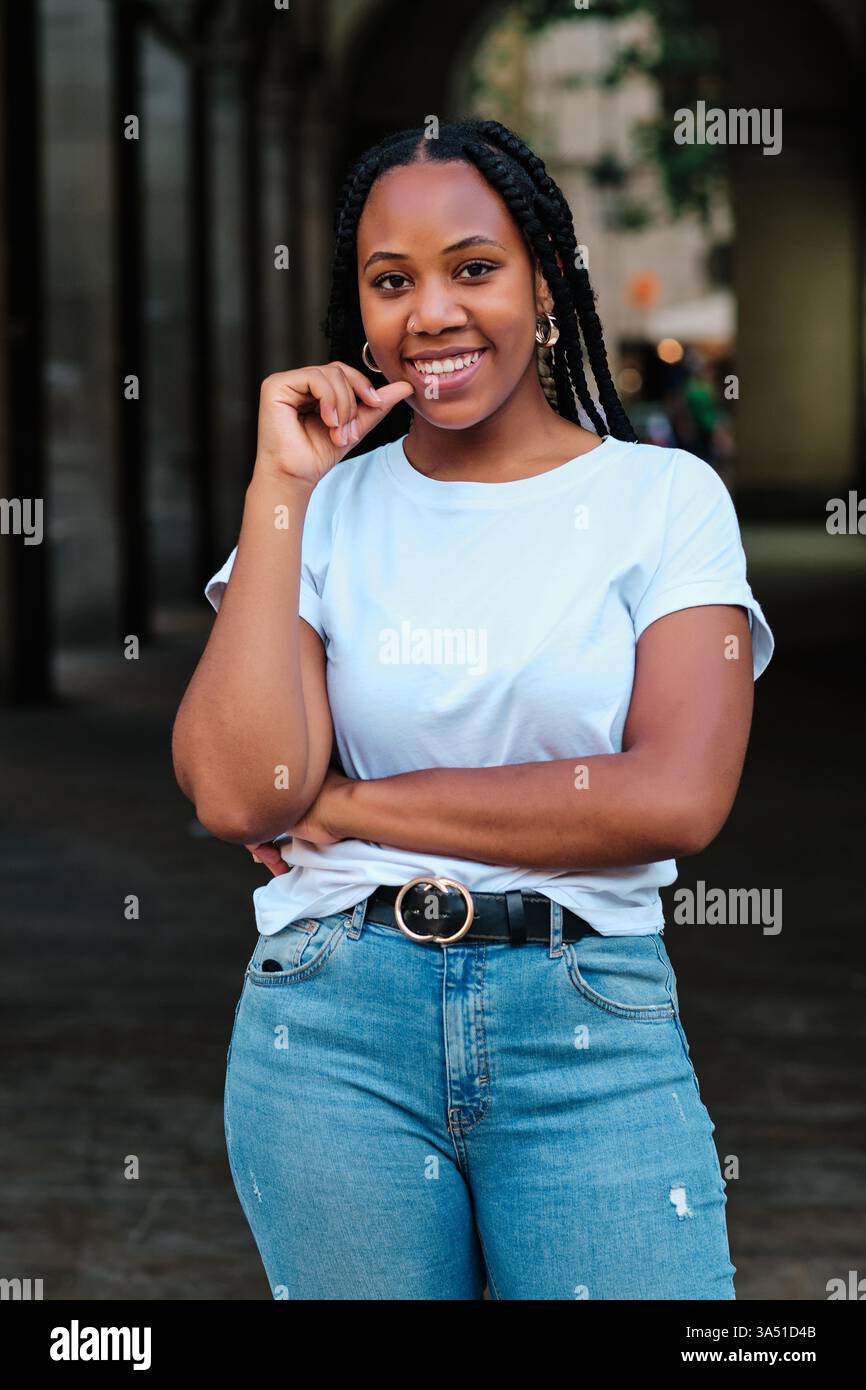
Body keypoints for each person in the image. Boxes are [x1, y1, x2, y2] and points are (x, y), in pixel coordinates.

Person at [171, 118, 774, 1300]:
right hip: (331, 1024)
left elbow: (672, 796)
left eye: (473, 268)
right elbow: (242, 791)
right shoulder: (325, 511)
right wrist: (278, 491)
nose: (430, 312)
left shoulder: (662, 501)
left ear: (545, 285)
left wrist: (351, 803)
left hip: (585, 1018)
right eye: (390, 281)